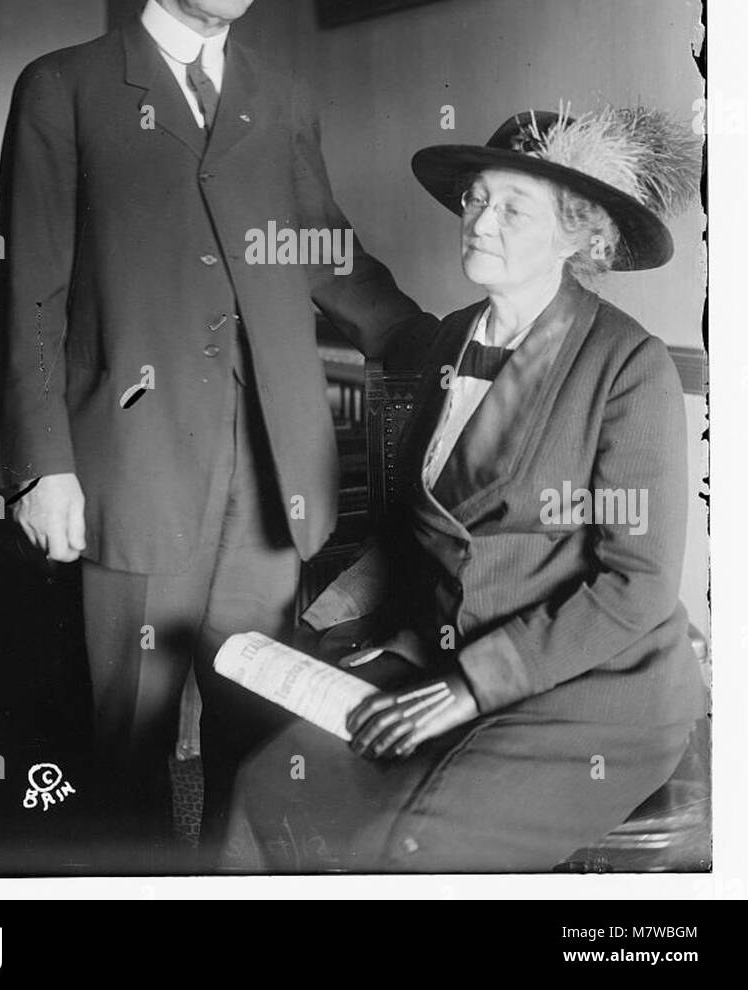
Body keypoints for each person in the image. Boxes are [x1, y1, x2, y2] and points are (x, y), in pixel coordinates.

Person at [0, 0, 436, 861]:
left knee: (258, 727)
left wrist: (444, 340)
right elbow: (29, 296)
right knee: (128, 737)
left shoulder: (278, 97)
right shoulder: (63, 87)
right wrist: (40, 464)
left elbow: (327, 254)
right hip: (129, 472)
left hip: (272, 480)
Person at [222, 103, 706, 873]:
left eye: (513, 207)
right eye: (476, 200)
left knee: (409, 847)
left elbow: (634, 587)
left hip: (587, 686)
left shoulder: (627, 366)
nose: (479, 221)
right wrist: (324, 626)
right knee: (267, 780)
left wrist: (471, 687)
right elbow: (423, 530)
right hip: (446, 649)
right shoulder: (448, 341)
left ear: (578, 234)